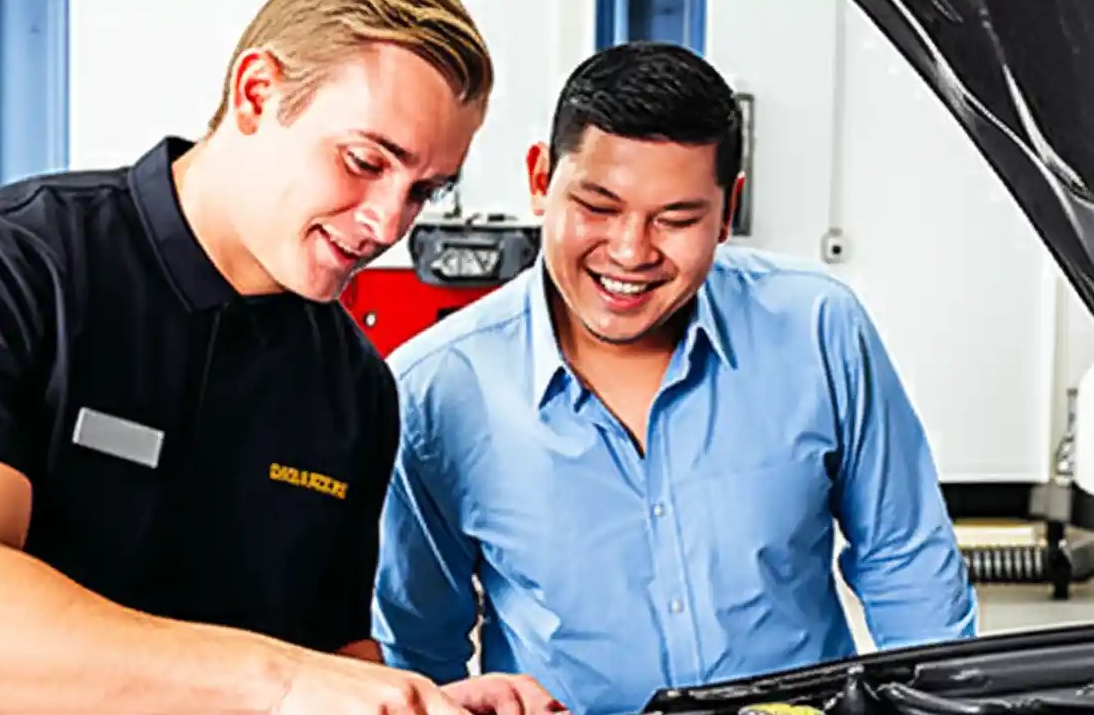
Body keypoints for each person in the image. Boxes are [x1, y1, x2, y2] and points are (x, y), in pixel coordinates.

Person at [0, 0, 567, 713]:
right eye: (366, 162)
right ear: (256, 92)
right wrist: (284, 683)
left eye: (424, 191)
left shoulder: (354, 387)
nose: (386, 222)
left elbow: (328, 658)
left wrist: (413, 704)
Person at [370, 41, 978, 715]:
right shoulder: (433, 394)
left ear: (727, 212)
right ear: (541, 181)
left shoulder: (819, 329)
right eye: (598, 207)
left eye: (677, 219)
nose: (630, 252)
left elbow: (908, 567)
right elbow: (419, 653)